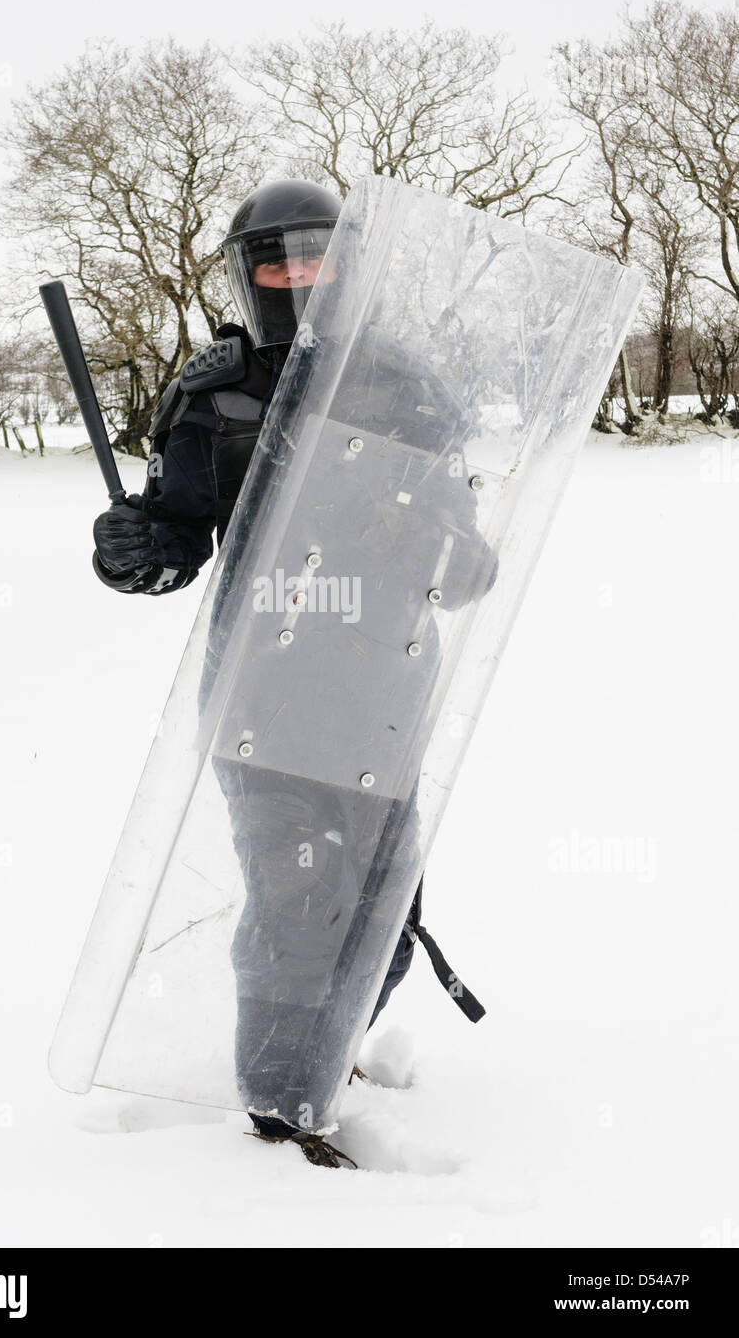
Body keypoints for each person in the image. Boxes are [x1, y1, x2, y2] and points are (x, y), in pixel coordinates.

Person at [92, 179, 493, 1167]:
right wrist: (133, 547)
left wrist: (426, 542)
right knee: (295, 904)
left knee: (379, 922)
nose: (297, 275)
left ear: (350, 260)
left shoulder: (405, 386)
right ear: (247, 275)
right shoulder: (214, 395)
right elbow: (177, 541)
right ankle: (277, 1119)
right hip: (259, 699)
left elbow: (466, 564)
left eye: (315, 253)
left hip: (380, 702)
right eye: (274, 260)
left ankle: (328, 1051)